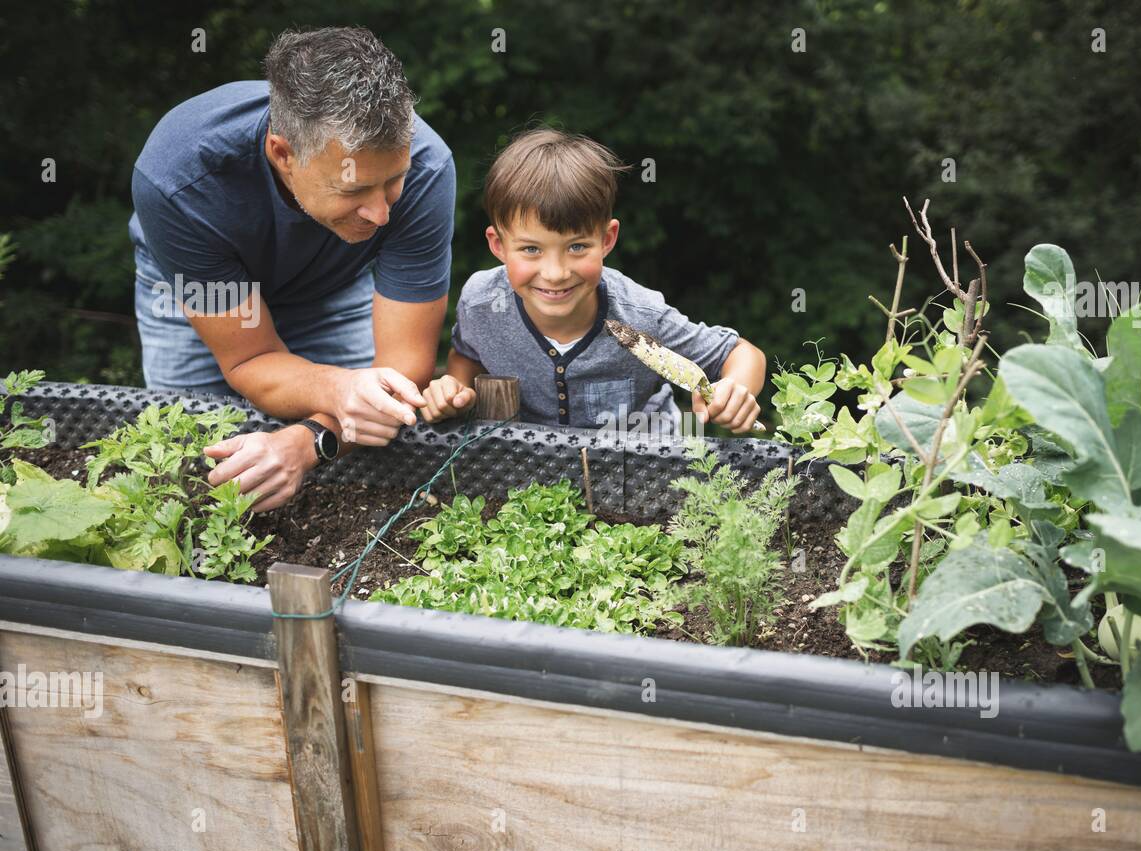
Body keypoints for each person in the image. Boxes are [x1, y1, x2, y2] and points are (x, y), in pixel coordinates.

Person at [128, 26, 455, 510]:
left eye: (392, 181)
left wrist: (306, 443)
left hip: (332, 287)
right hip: (197, 298)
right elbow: (247, 359)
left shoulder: (427, 168)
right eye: (353, 191)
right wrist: (339, 387)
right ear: (282, 153)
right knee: (195, 476)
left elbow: (401, 373)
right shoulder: (178, 179)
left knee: (362, 471)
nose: (382, 214)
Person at [420, 128, 765, 434]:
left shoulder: (642, 316)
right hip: (531, 474)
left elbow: (740, 353)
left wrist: (735, 390)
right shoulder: (481, 304)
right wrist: (455, 390)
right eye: (530, 249)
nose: (555, 273)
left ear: (607, 240)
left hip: (650, 467)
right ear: (498, 245)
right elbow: (467, 355)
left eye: (576, 246)